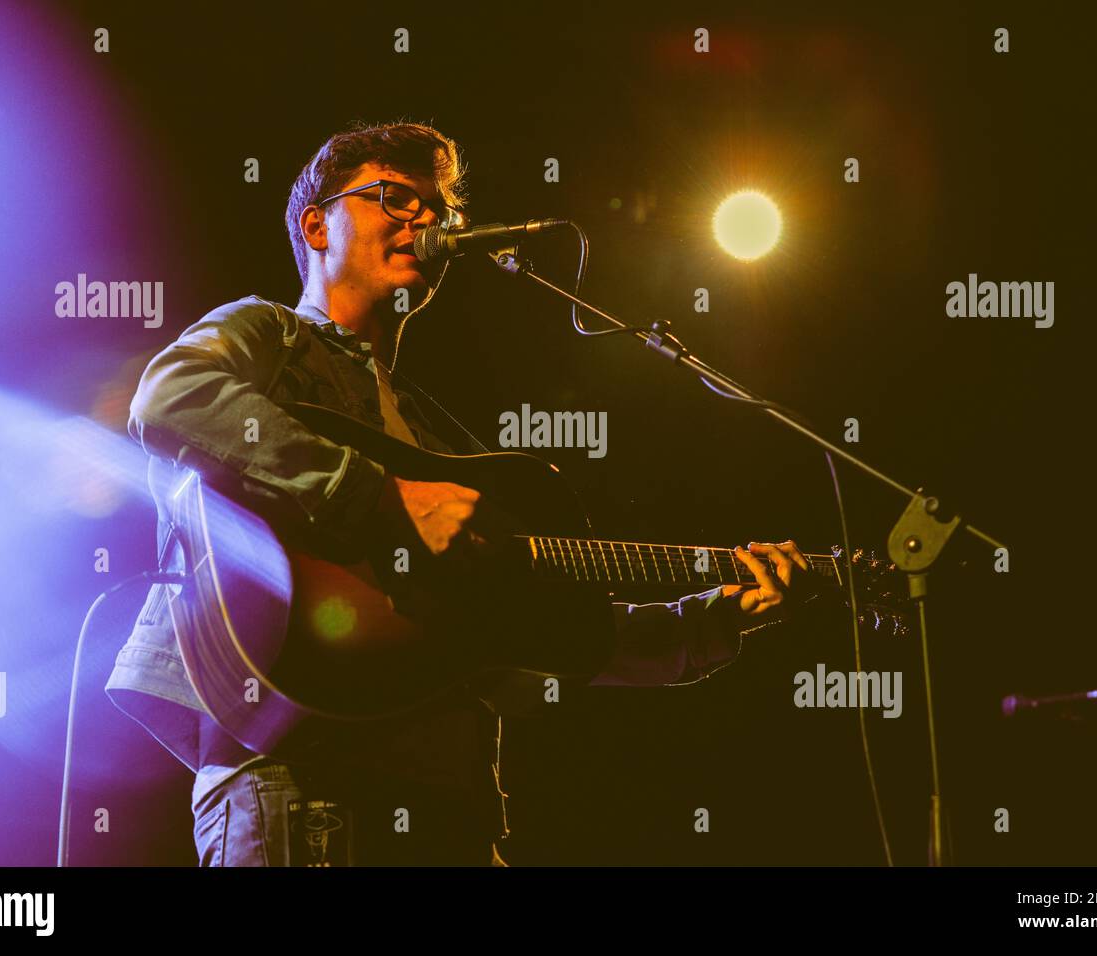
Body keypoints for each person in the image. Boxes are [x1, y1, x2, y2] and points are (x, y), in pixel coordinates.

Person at [105, 120, 810, 866]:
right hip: (302, 780)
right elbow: (171, 397)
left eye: (439, 210)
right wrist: (380, 497)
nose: (428, 221)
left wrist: (713, 616)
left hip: (452, 801)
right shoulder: (269, 335)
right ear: (317, 225)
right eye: (393, 199)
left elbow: (546, 625)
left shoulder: (435, 438)